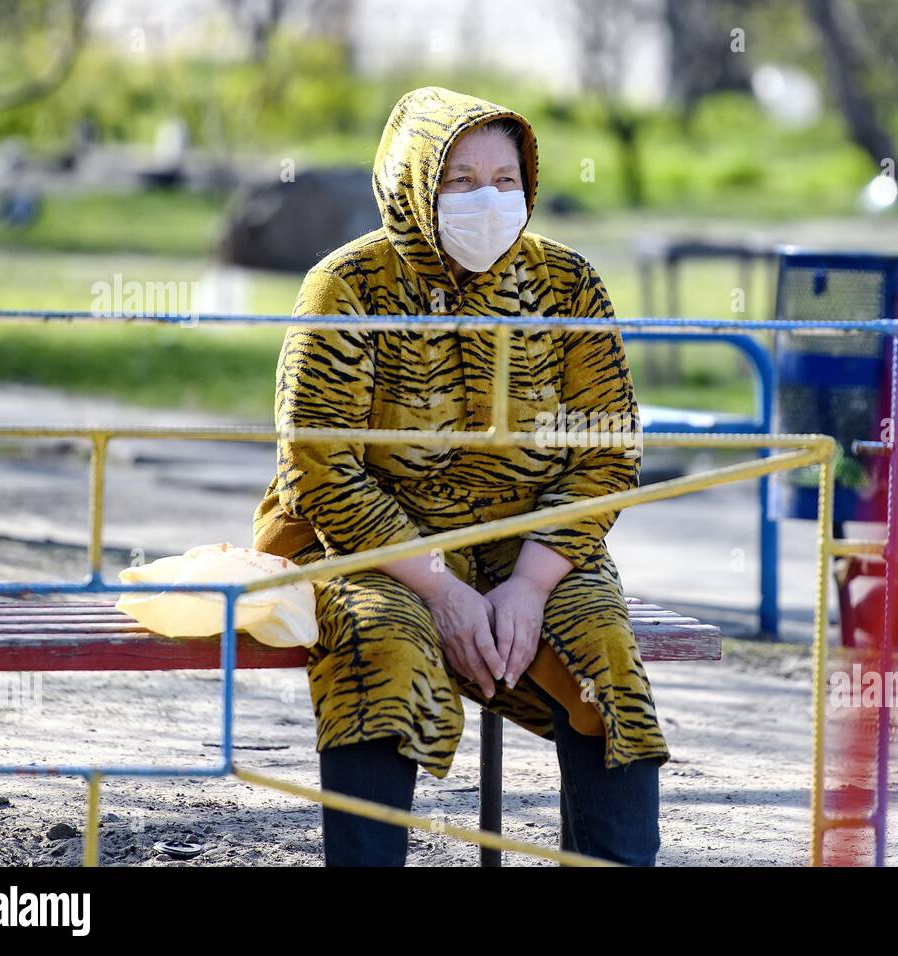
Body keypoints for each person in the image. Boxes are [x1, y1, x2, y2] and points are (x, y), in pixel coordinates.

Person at [252, 87, 670, 866]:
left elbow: (607, 452)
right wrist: (441, 589)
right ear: (414, 184)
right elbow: (322, 471)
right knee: (384, 647)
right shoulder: (348, 287)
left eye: (506, 180)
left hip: (529, 547)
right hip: (371, 548)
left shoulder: (568, 286)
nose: (490, 199)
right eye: (461, 181)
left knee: (606, 656)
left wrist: (532, 586)